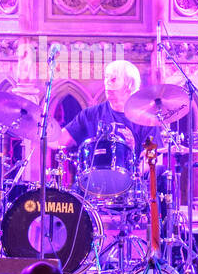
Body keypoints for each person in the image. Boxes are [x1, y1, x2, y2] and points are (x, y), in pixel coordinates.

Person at [62, 59, 159, 192]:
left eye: (113, 79)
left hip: (131, 186)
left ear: (129, 85)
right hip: (92, 184)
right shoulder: (90, 114)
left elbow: (151, 156)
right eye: (106, 78)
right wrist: (35, 125)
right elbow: (59, 139)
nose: (106, 83)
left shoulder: (146, 118)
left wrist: (134, 175)